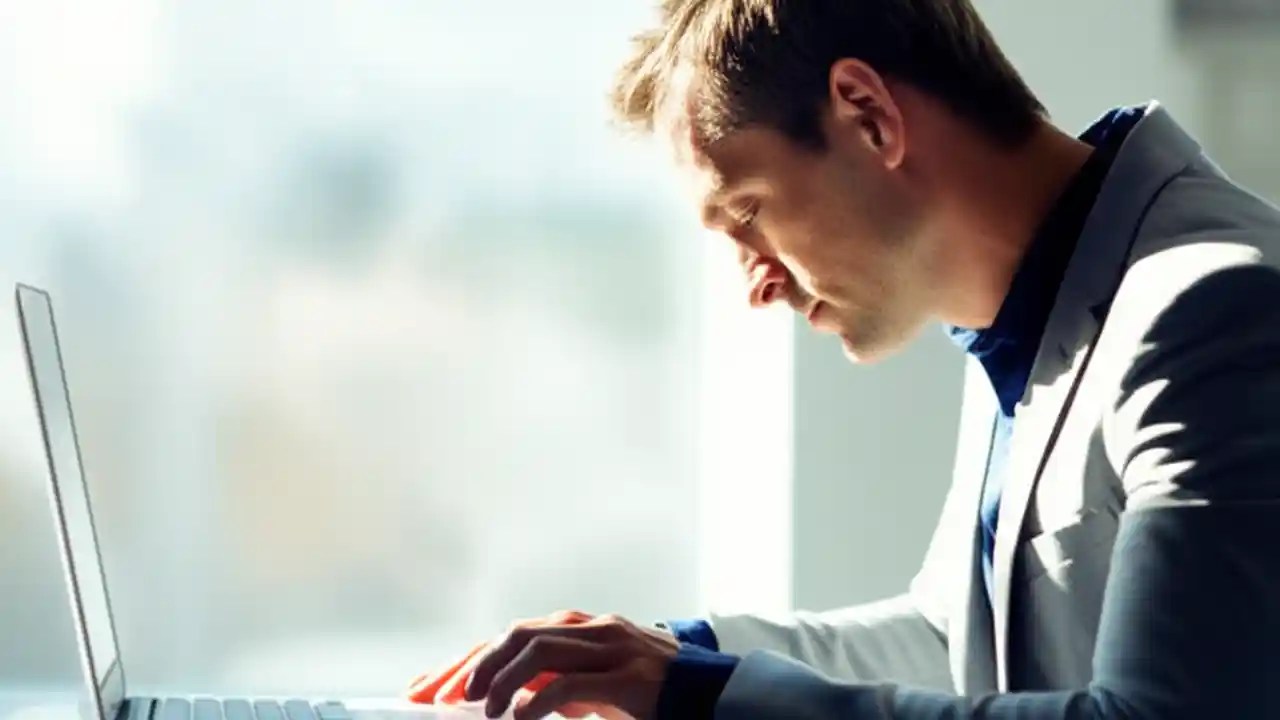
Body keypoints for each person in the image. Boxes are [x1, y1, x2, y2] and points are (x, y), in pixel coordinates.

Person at [407, 1, 1280, 718]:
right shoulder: (1043, 317)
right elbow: (958, 638)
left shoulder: (1209, 308)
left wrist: (703, 699)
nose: (756, 282)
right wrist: (671, 658)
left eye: (748, 212)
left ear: (867, 115)